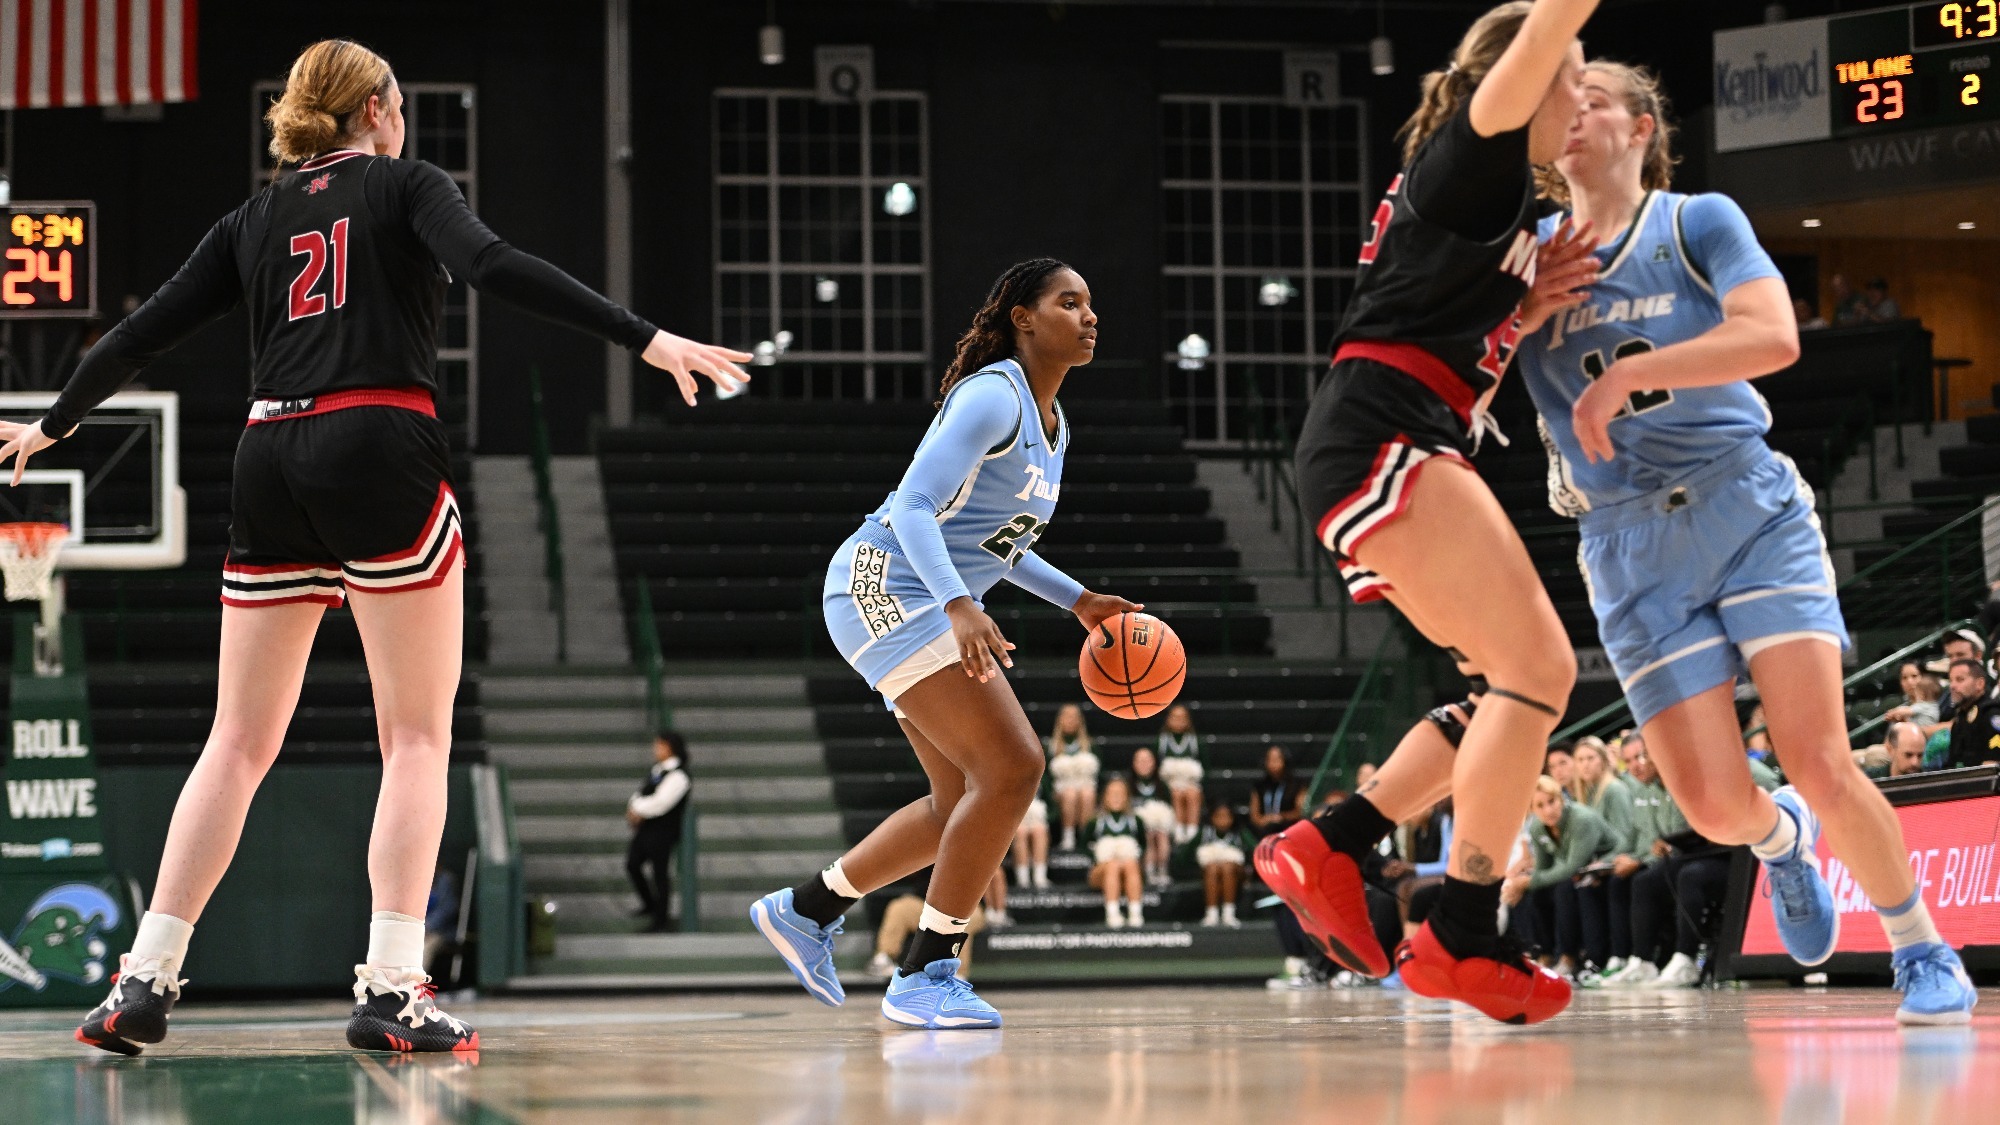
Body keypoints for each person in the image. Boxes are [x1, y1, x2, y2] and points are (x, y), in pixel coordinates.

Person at [40, 41, 752, 1057]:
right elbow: (491, 265)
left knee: (235, 741)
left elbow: (138, 333)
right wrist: (643, 336)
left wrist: (54, 423)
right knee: (415, 737)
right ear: (378, 109)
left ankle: (142, 982)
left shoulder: (251, 218)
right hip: (377, 436)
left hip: (267, 449)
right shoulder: (406, 182)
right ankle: (390, 988)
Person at [1513, 59, 1973, 1021]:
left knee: (1821, 757)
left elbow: (1772, 334)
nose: (1576, 113)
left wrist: (1626, 378)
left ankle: (1922, 947)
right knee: (1715, 807)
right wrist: (1517, 314)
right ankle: (1780, 840)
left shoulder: (1695, 222)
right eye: (1565, 103)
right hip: (1624, 543)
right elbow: (1452, 369)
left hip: (1743, 504)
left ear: (1642, 128)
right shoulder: (1525, 257)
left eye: (1596, 99)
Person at [1257, 0, 1596, 1027]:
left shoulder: (1490, 195)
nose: (1581, 91)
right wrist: (1557, 27)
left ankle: (1331, 841)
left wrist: (1521, 312)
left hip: (1383, 430)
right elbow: (1538, 35)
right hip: (1382, 431)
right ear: (1523, 76)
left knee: (1503, 693)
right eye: (1571, 72)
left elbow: (1444, 335)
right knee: (1542, 672)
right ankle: (1462, 933)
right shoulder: (1475, 155)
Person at [749, 258, 1140, 1031]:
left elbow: (1003, 544)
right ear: (1024, 318)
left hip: (917, 594)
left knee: (960, 800)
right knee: (1016, 766)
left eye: (1091, 303)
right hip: (883, 581)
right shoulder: (994, 395)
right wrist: (960, 604)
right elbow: (915, 506)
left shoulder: (1055, 426)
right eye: (1069, 302)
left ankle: (808, 908)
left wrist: (1080, 600)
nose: (1089, 315)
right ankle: (926, 972)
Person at [1515, 776, 1614, 977]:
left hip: (1608, 864)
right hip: (1580, 873)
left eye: (1552, 801)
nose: (1548, 810)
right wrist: (1525, 883)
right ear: (1532, 809)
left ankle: (1568, 957)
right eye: (1540, 806)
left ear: (1561, 799)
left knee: (1563, 889)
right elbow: (1543, 869)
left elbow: (1572, 867)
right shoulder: (1537, 828)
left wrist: (1529, 881)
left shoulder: (1581, 819)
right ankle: (1544, 955)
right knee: (1536, 893)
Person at [626, 731, 691, 933]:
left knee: (660, 875)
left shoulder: (679, 775)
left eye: (660, 745)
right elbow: (640, 794)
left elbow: (662, 803)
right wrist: (634, 808)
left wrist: (639, 810)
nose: (656, 749)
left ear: (670, 747)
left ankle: (661, 919)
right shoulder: (657, 770)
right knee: (632, 864)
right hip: (647, 830)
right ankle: (650, 904)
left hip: (663, 832)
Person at [1085, 776, 1147, 928]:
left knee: (1131, 863)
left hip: (1128, 871)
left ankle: (1135, 913)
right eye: (1112, 794)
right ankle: (1112, 914)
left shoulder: (1136, 821)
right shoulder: (1095, 822)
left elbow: (1143, 846)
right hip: (1101, 871)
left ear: (1127, 797)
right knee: (1112, 865)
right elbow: (1083, 847)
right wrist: (1101, 855)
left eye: (1120, 794)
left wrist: (1126, 855)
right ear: (1104, 797)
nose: (1116, 798)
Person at [1047, 703, 1102, 851]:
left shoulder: (1090, 745)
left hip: (1084, 787)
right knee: (1070, 794)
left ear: (1080, 721)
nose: (1070, 720)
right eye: (1067, 716)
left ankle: (1085, 836)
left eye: (1074, 717)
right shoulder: (1051, 746)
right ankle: (1068, 836)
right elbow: (1046, 777)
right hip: (1060, 791)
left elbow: (1098, 774)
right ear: (1060, 720)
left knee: (1087, 793)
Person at [1566, 737, 1635, 854]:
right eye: (1580, 760)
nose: (1585, 764)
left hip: (1618, 858)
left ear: (1603, 760)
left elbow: (1625, 839)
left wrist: (1604, 861)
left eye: (1590, 758)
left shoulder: (1615, 789)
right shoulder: (1585, 795)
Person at [1193, 802, 1252, 927]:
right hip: (1211, 872)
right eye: (1218, 816)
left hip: (1237, 873)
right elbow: (1184, 857)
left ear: (1233, 818)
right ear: (1211, 818)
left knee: (1227, 867)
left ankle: (1228, 914)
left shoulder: (1240, 832)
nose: (1222, 820)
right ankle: (1211, 914)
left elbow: (1256, 850)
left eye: (1226, 816)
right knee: (1212, 868)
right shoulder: (1204, 833)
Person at [1156, 704, 1206, 842]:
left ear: (1188, 720)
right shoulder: (1161, 741)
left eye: (1182, 717)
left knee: (1192, 793)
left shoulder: (1196, 741)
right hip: (1169, 785)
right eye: (1175, 717)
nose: (1179, 720)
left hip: (1191, 783)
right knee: (1177, 793)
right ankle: (1178, 831)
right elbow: (1156, 768)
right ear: (1168, 719)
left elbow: (1205, 768)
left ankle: (1192, 833)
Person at [1128, 747, 1176, 887]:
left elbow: (1169, 810)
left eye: (1147, 760)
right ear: (1133, 764)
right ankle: (1148, 871)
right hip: (1138, 828)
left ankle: (1162, 869)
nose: (1143, 764)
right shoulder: (1128, 785)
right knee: (1148, 834)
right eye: (1140, 760)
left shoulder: (1162, 786)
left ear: (1154, 763)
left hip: (1160, 828)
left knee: (1161, 835)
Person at [1944, 658, 2000, 770]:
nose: (1952, 686)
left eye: (1960, 680)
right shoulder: (1960, 718)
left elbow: (1993, 765)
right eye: (1951, 680)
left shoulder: (1990, 713)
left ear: (1980, 684)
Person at [1246, 745, 1304, 838]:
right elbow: (1254, 815)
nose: (1273, 763)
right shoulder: (1260, 786)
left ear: (1285, 761)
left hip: (1289, 830)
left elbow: (1300, 811)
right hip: (1265, 831)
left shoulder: (1297, 785)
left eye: (1276, 759)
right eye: (1269, 759)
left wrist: (1282, 817)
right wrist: (1265, 819)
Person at [1011, 775, 1051, 889]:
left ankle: (1040, 877)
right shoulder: (1004, 775)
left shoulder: (1041, 776)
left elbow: (1052, 806)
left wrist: (1043, 816)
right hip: (1014, 820)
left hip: (1038, 819)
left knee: (1040, 830)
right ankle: (1023, 879)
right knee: (1020, 831)